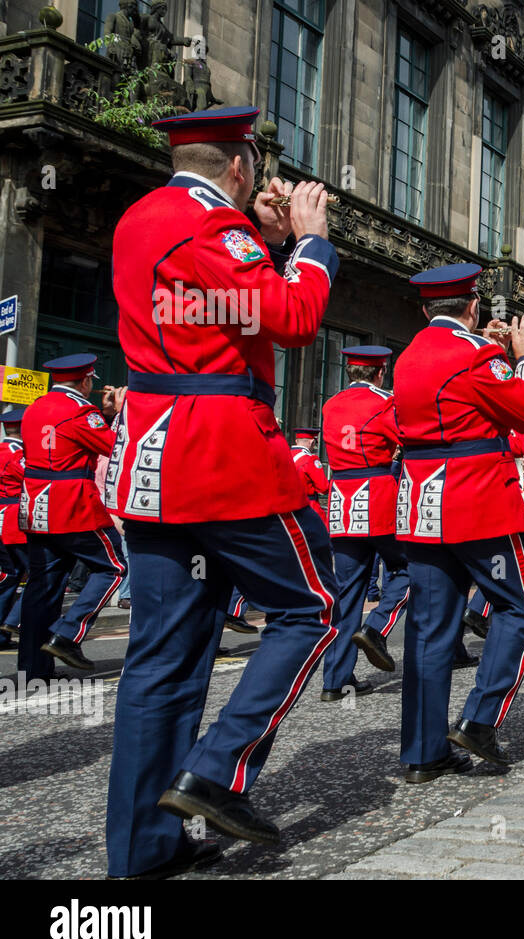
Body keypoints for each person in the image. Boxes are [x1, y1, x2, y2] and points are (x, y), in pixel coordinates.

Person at [104, 105, 339, 879]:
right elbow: (295, 317)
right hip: (221, 448)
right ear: (239, 166)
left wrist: (260, 238)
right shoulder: (213, 229)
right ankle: (216, 770)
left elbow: (217, 307)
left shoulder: (143, 216)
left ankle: (143, 850)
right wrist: (309, 242)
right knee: (311, 606)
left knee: (161, 659)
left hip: (154, 449)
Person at [394, 264, 524, 774]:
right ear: (473, 306)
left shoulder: (409, 355)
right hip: (477, 503)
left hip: (422, 504)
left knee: (428, 630)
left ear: (423, 310)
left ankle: (422, 754)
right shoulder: (478, 354)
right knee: (521, 610)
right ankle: (480, 720)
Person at [18, 356, 126, 678]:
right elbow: (116, 447)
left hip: (37, 505)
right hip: (72, 504)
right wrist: (118, 414)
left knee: (43, 587)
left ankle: (33, 670)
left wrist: (102, 414)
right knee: (114, 567)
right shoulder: (81, 411)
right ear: (85, 381)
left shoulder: (34, 408)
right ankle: (68, 633)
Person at [319, 345, 410, 702]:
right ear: (380, 372)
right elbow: (405, 439)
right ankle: (377, 627)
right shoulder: (383, 402)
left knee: (346, 592)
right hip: (377, 493)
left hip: (341, 495)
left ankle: (336, 680)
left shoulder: (331, 405)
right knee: (408, 569)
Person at [0, 408, 27, 645]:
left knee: (10, 577)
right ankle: (13, 620)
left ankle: (2, 631)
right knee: (39, 574)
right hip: (14, 517)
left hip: (4, 517)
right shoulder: (16, 453)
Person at [290, 428, 328, 526]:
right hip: (307, 506)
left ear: (296, 441)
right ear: (311, 442)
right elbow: (323, 488)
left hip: (288, 506)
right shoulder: (311, 459)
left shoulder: (285, 455)